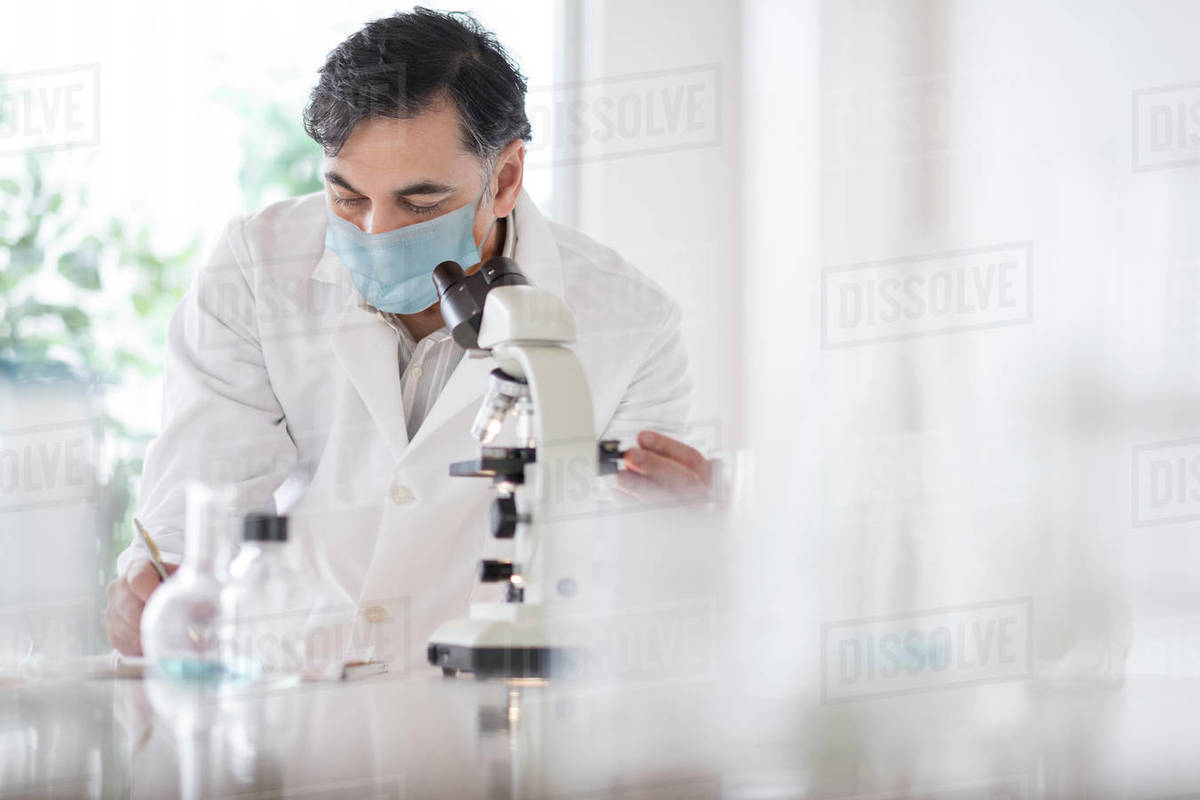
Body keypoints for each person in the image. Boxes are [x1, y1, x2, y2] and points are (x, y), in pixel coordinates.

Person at [105, 7, 709, 661]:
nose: (377, 232)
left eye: (420, 205)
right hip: (296, 698)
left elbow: (627, 593)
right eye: (346, 196)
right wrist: (156, 588)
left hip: (490, 712)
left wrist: (682, 537)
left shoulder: (631, 324)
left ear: (504, 179)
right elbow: (202, 501)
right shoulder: (257, 268)